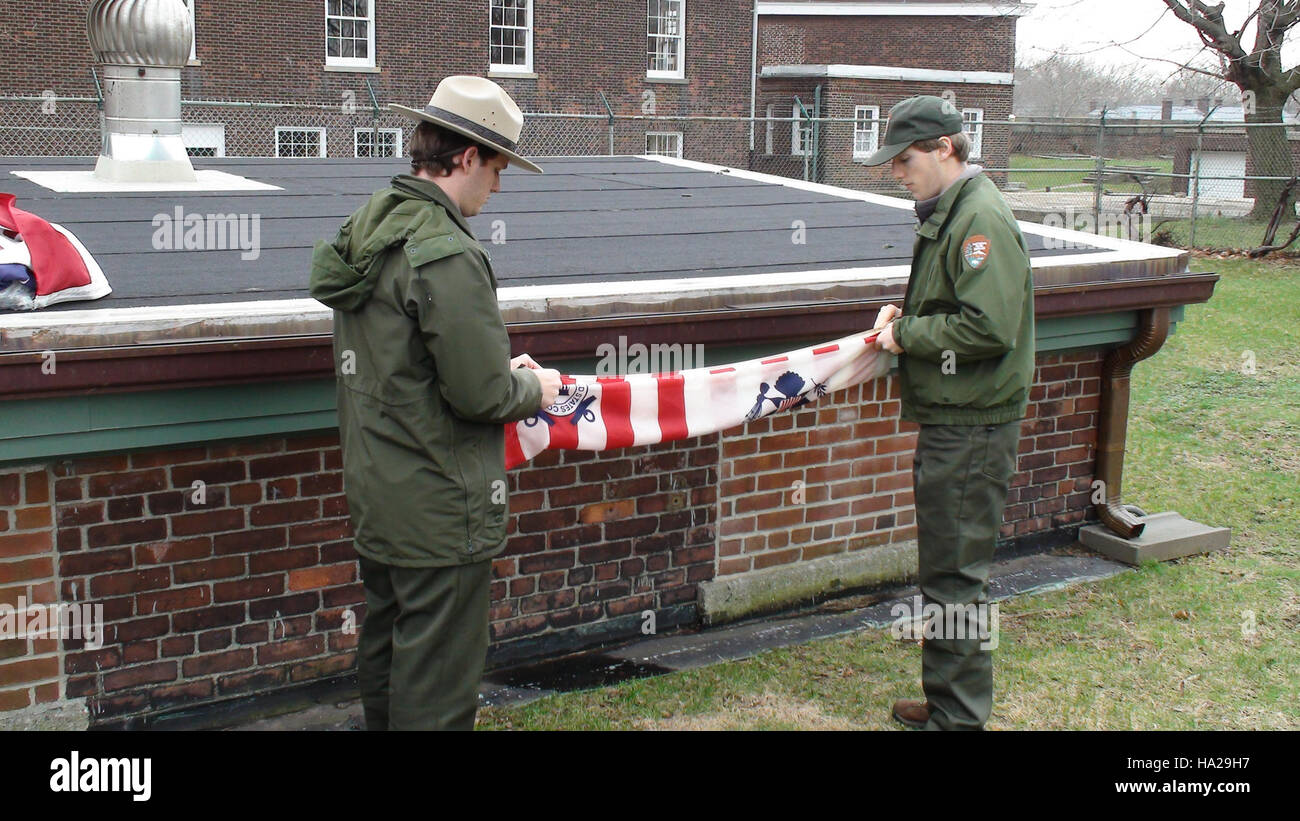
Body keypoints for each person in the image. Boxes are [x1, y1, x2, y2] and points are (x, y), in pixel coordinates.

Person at [309, 76, 562, 730]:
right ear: (469, 157)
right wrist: (540, 388)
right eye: (498, 168)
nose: (498, 187)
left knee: (389, 650)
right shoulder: (446, 251)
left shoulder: (372, 227)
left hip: (381, 496)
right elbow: (482, 395)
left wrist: (490, 368)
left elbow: (412, 366)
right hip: (442, 508)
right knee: (440, 685)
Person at [863, 96, 1035, 730]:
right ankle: (947, 702)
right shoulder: (956, 210)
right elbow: (954, 304)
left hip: (974, 424)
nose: (897, 173)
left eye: (905, 160)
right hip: (959, 419)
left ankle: (958, 720)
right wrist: (903, 320)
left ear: (944, 149)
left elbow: (987, 326)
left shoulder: (980, 217)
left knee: (956, 577)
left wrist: (910, 336)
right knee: (945, 571)